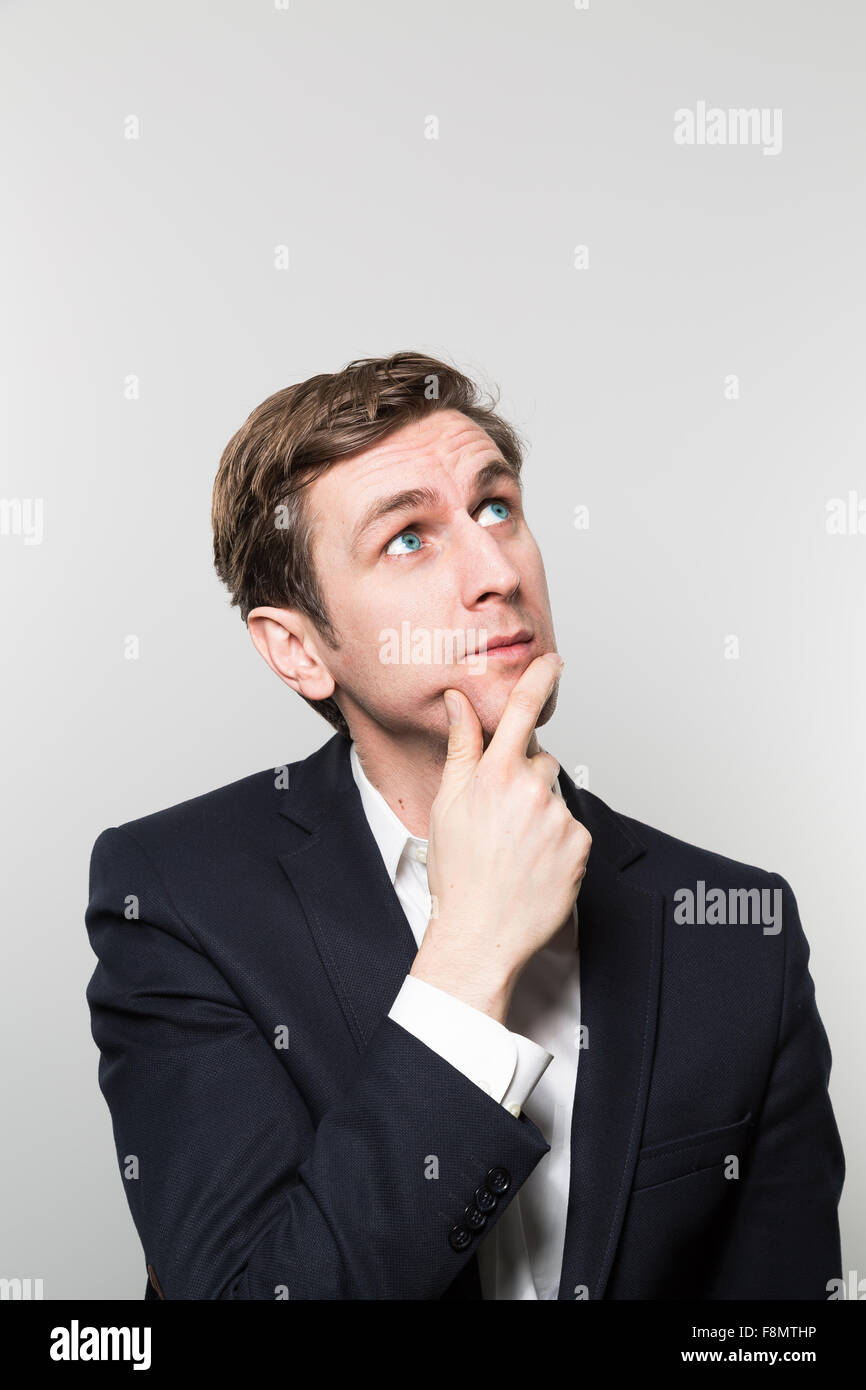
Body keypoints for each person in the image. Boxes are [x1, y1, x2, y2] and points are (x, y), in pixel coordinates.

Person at [85, 351, 844, 1300]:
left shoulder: (740, 929)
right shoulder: (175, 895)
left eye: (497, 508)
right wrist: (472, 952)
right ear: (299, 648)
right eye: (408, 537)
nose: (496, 572)